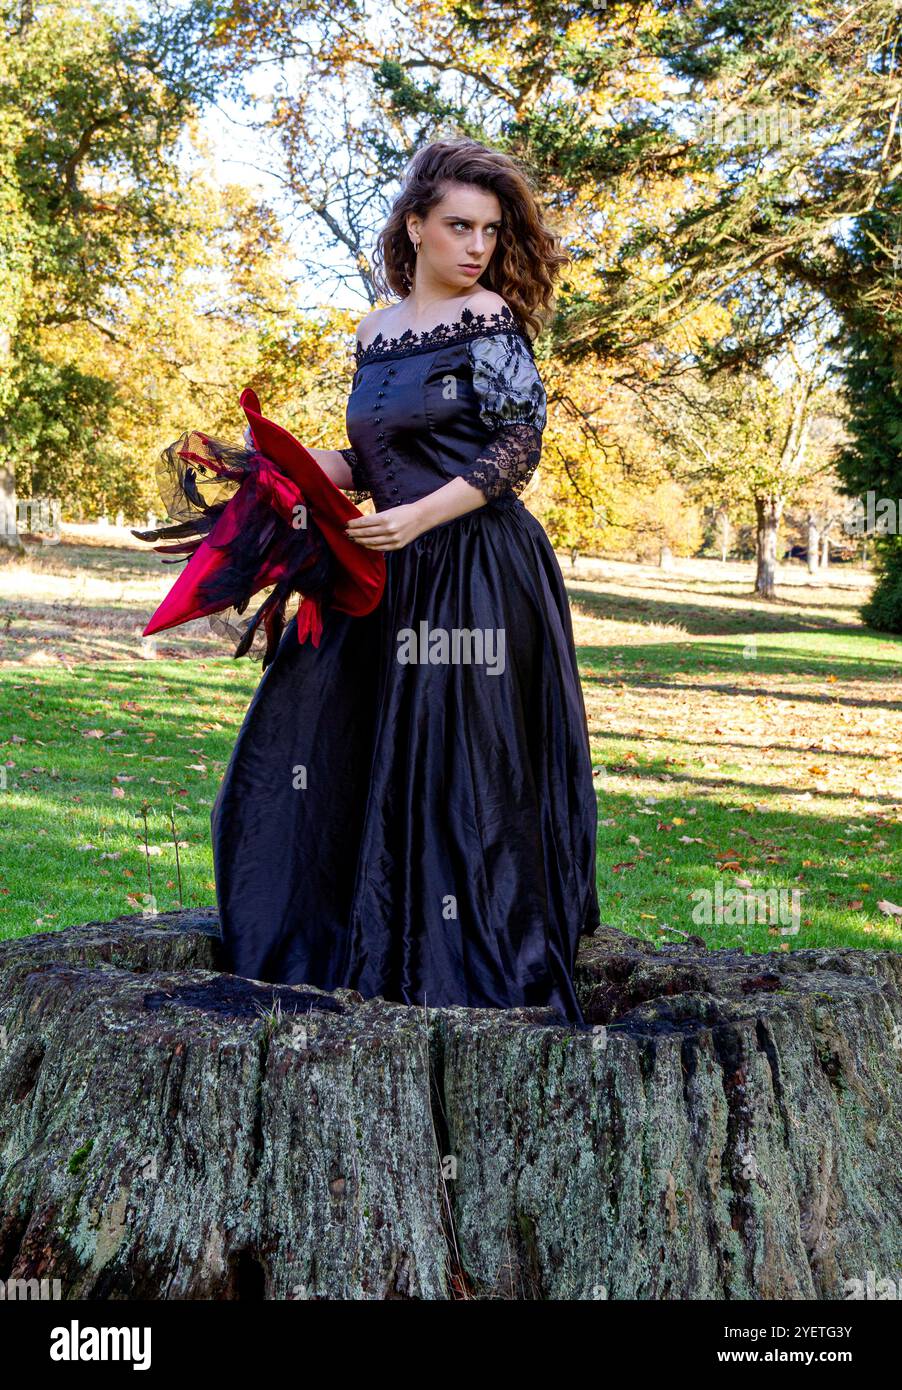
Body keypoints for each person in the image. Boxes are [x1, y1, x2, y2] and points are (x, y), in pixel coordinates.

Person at [208, 137, 600, 1026]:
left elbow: (516, 449)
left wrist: (420, 518)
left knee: (460, 764)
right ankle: (343, 941)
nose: (476, 247)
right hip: (382, 565)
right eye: (459, 226)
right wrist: (293, 469)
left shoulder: (491, 321)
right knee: (319, 731)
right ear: (415, 226)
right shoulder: (375, 331)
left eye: (491, 232)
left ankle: (470, 968)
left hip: (476, 568)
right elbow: (372, 450)